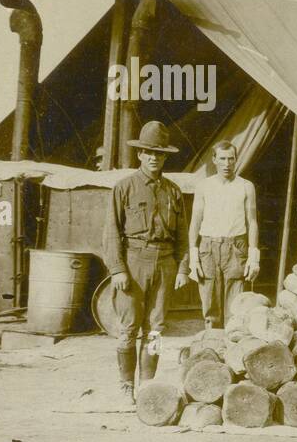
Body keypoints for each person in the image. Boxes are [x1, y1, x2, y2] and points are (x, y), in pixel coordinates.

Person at [103, 121, 190, 403]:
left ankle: (147, 387)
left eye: (160, 154)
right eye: (149, 152)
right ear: (139, 154)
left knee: (156, 329)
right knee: (129, 328)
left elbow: (183, 235)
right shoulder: (124, 188)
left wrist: (183, 267)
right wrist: (117, 269)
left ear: (165, 157)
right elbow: (111, 232)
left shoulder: (173, 191)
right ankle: (126, 385)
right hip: (133, 260)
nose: (154, 158)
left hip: (165, 263)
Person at [188, 141, 260, 329]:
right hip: (208, 248)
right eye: (222, 159)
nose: (227, 164)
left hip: (236, 248)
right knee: (210, 305)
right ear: (214, 160)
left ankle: (231, 351)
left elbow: (252, 222)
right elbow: (195, 222)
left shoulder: (246, 186)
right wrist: (193, 257)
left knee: (235, 307)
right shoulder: (204, 186)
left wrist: (254, 257)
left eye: (231, 159)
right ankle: (212, 347)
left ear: (236, 160)